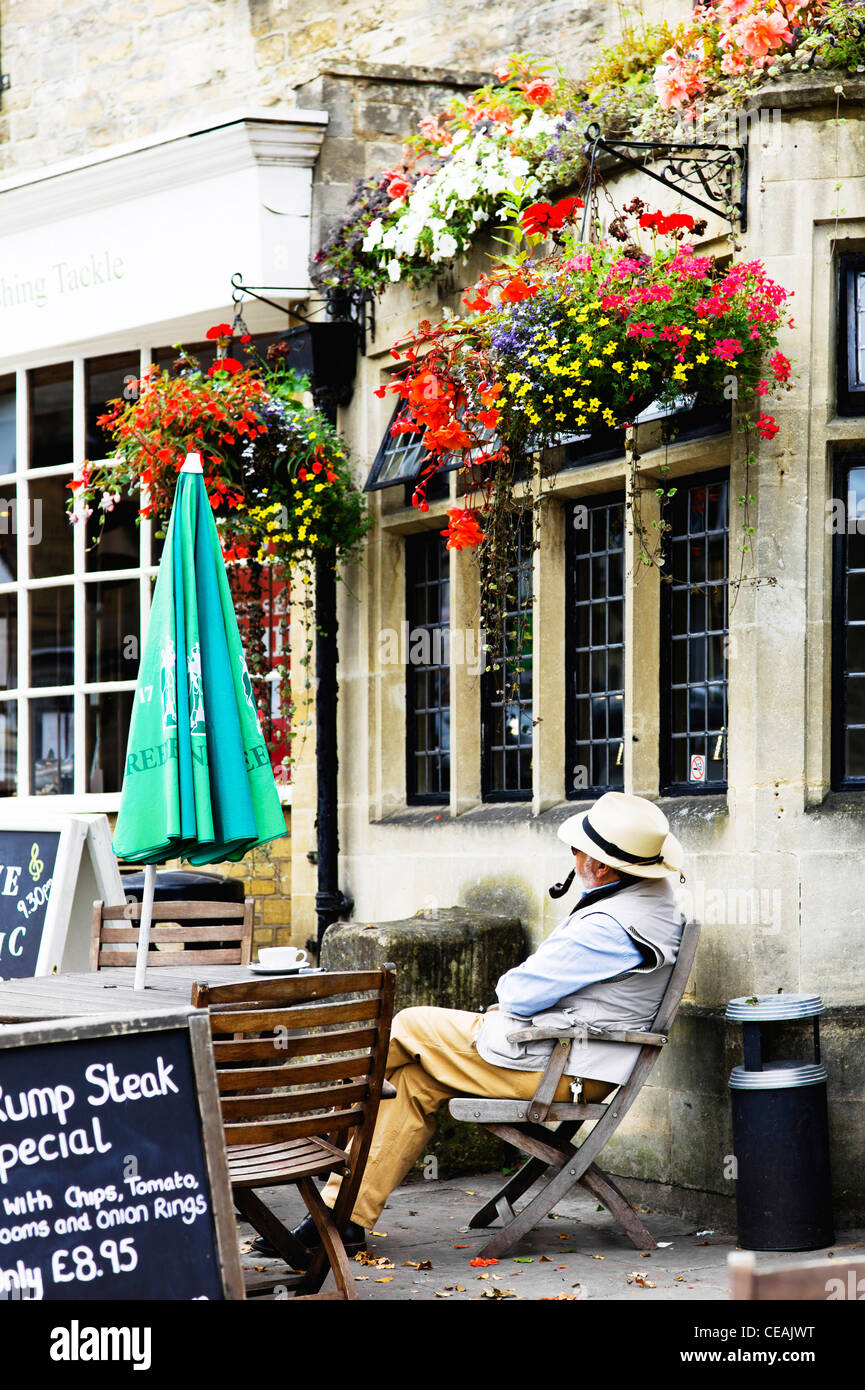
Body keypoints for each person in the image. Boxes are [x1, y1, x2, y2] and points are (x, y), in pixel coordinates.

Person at [257, 791, 686, 1264]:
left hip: (562, 1070)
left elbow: (518, 993)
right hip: (574, 1057)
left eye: (577, 852)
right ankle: (343, 1220)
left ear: (602, 867)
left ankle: (312, 1121)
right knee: (412, 1082)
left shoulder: (607, 925)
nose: (574, 858)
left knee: (406, 1025)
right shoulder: (648, 897)